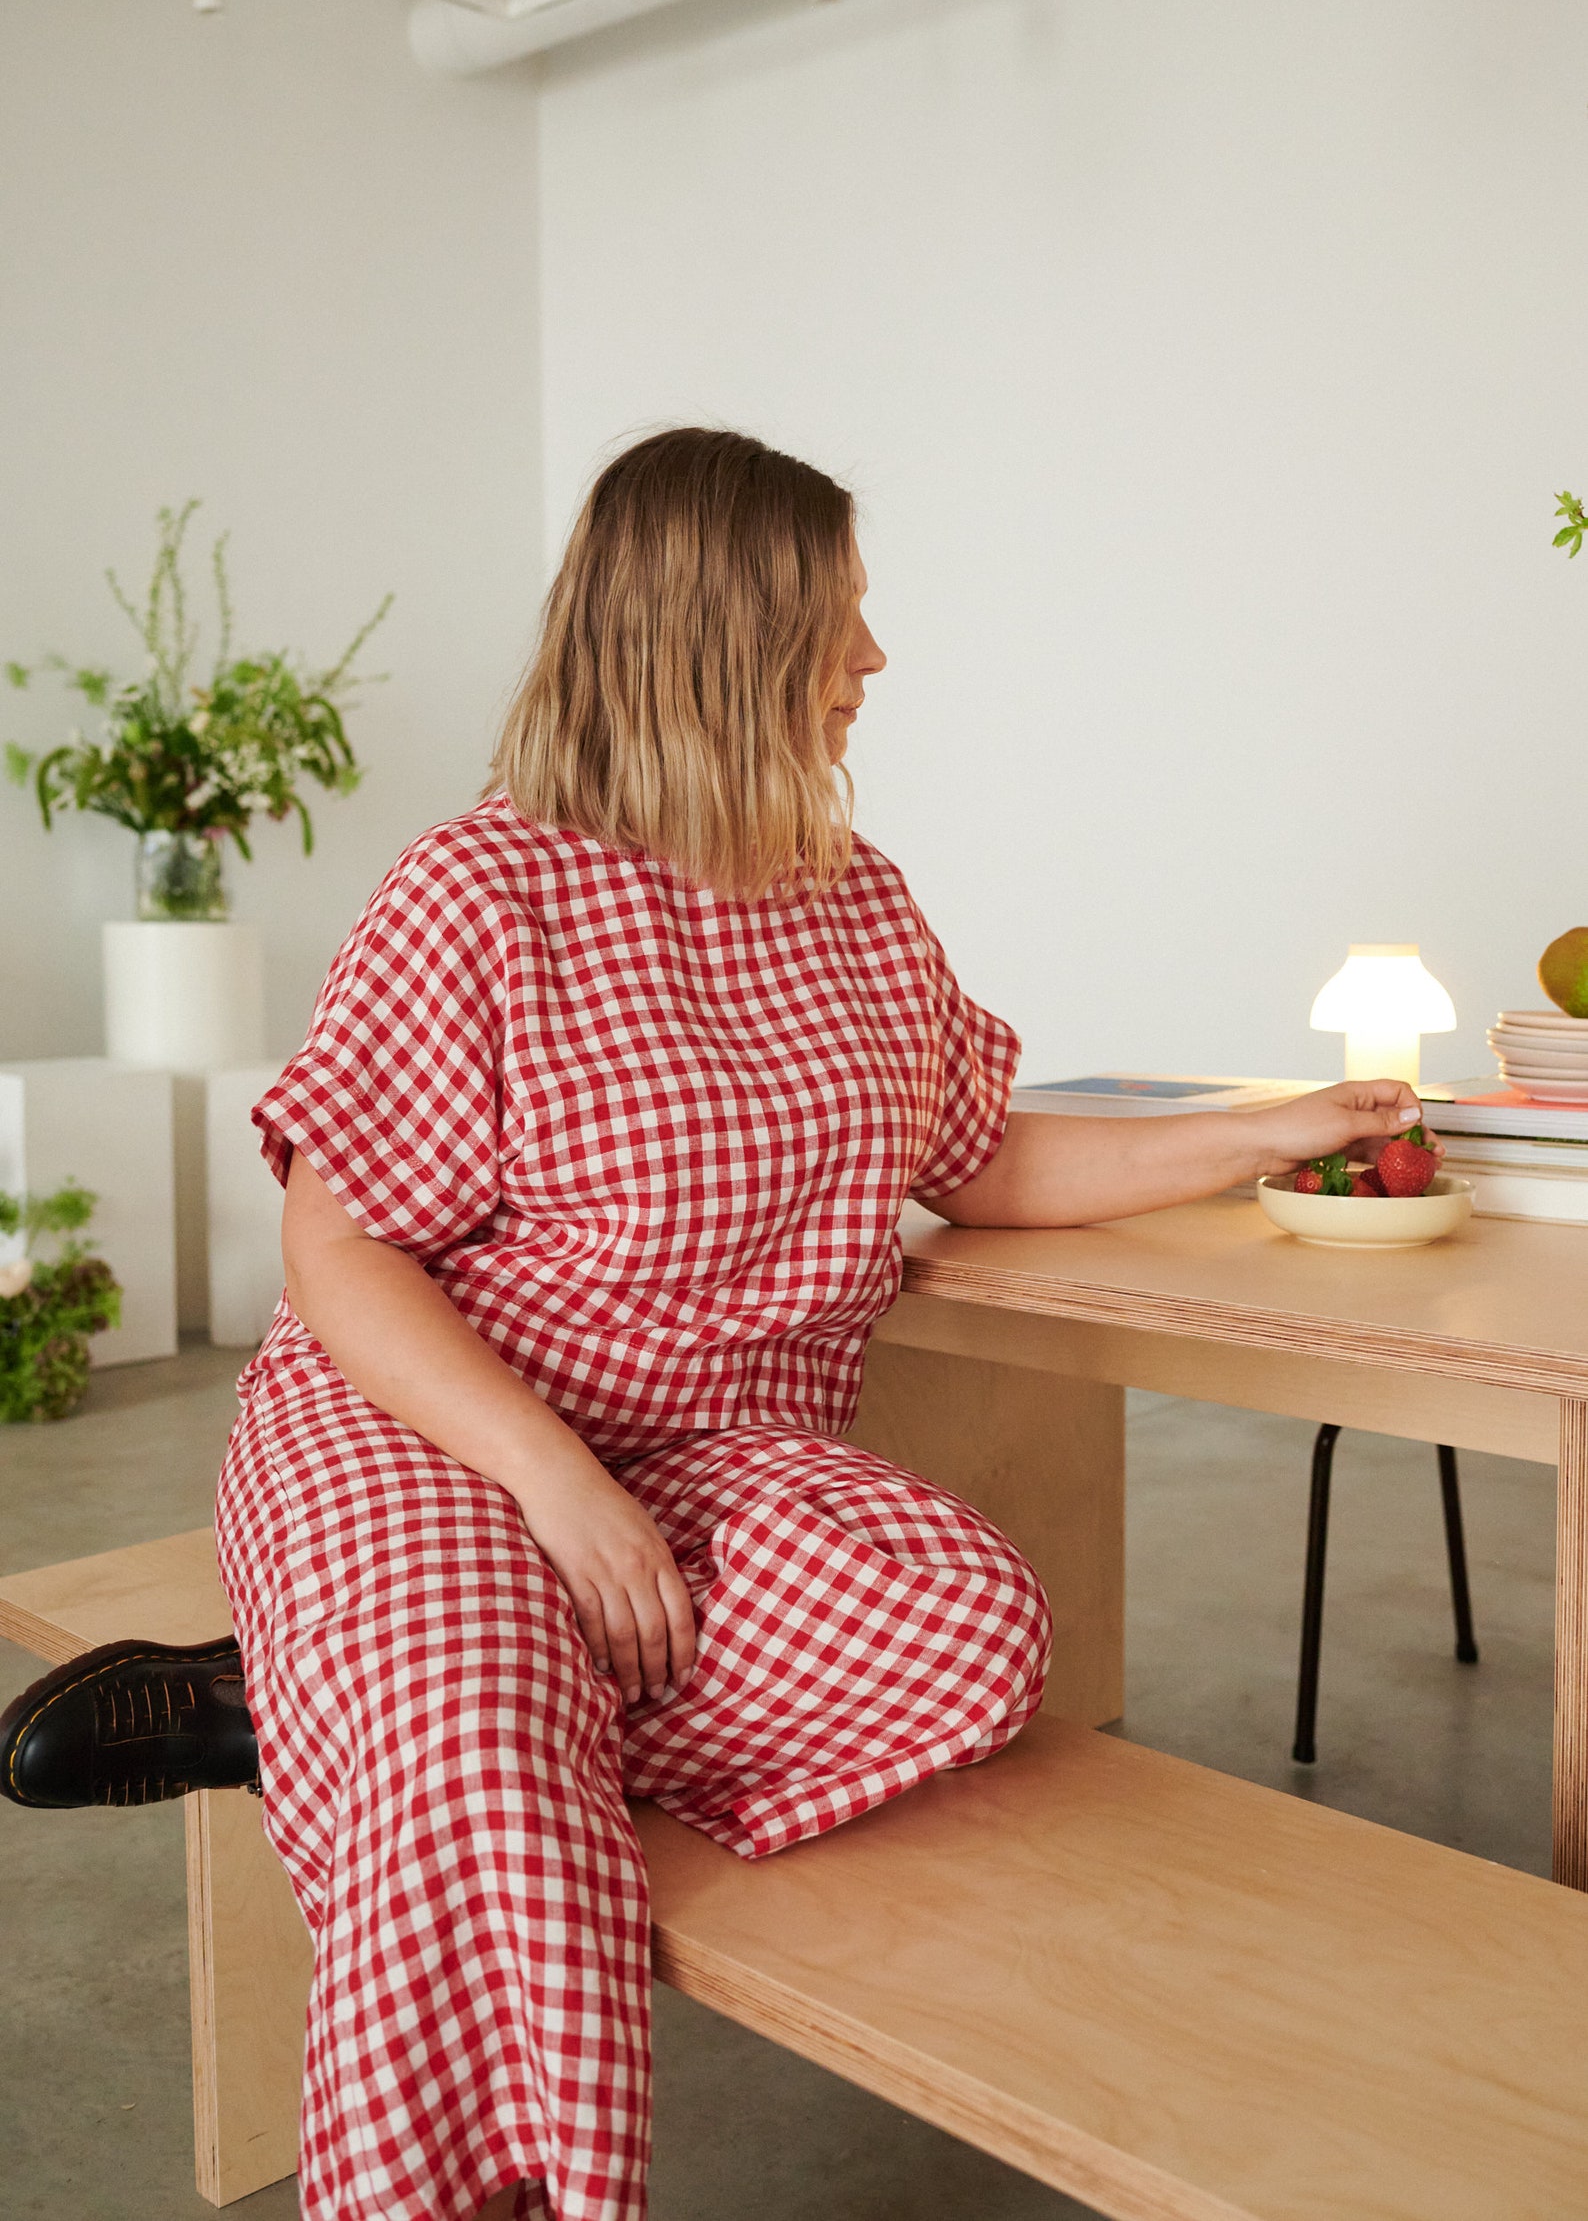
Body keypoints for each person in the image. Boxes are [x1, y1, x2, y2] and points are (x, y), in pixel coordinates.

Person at [0, 429, 1436, 2221]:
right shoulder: (483, 891)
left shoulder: (859, 905)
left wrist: (1263, 1129)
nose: (876, 659)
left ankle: (304, 1700)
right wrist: (553, 1489)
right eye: (845, 615)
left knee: (969, 1627)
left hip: (719, 1459)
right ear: (722, 637)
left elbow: (979, 1157)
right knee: (477, 1747)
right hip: (437, 1424)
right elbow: (342, 1255)